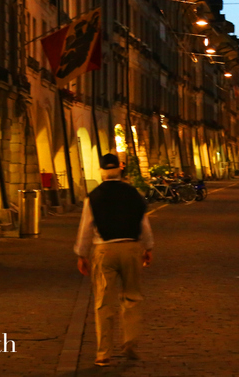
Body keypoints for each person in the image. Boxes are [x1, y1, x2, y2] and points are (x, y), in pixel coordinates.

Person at [74, 153, 153, 367]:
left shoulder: (94, 196)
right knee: (132, 297)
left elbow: (86, 228)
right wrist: (147, 247)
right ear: (119, 169)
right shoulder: (133, 193)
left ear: (101, 171)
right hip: (130, 247)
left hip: (104, 249)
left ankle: (103, 353)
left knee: (103, 301)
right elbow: (143, 223)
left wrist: (82, 254)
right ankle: (130, 343)